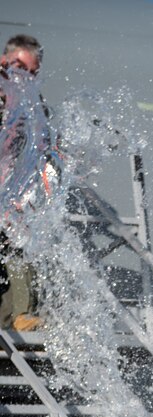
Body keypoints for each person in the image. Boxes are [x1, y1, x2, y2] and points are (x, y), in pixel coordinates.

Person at [0, 33, 45, 333]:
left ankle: (19, 314)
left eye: (31, 71)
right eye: (18, 66)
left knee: (22, 238)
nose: (23, 75)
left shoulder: (30, 101)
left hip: (8, 192)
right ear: (4, 61)